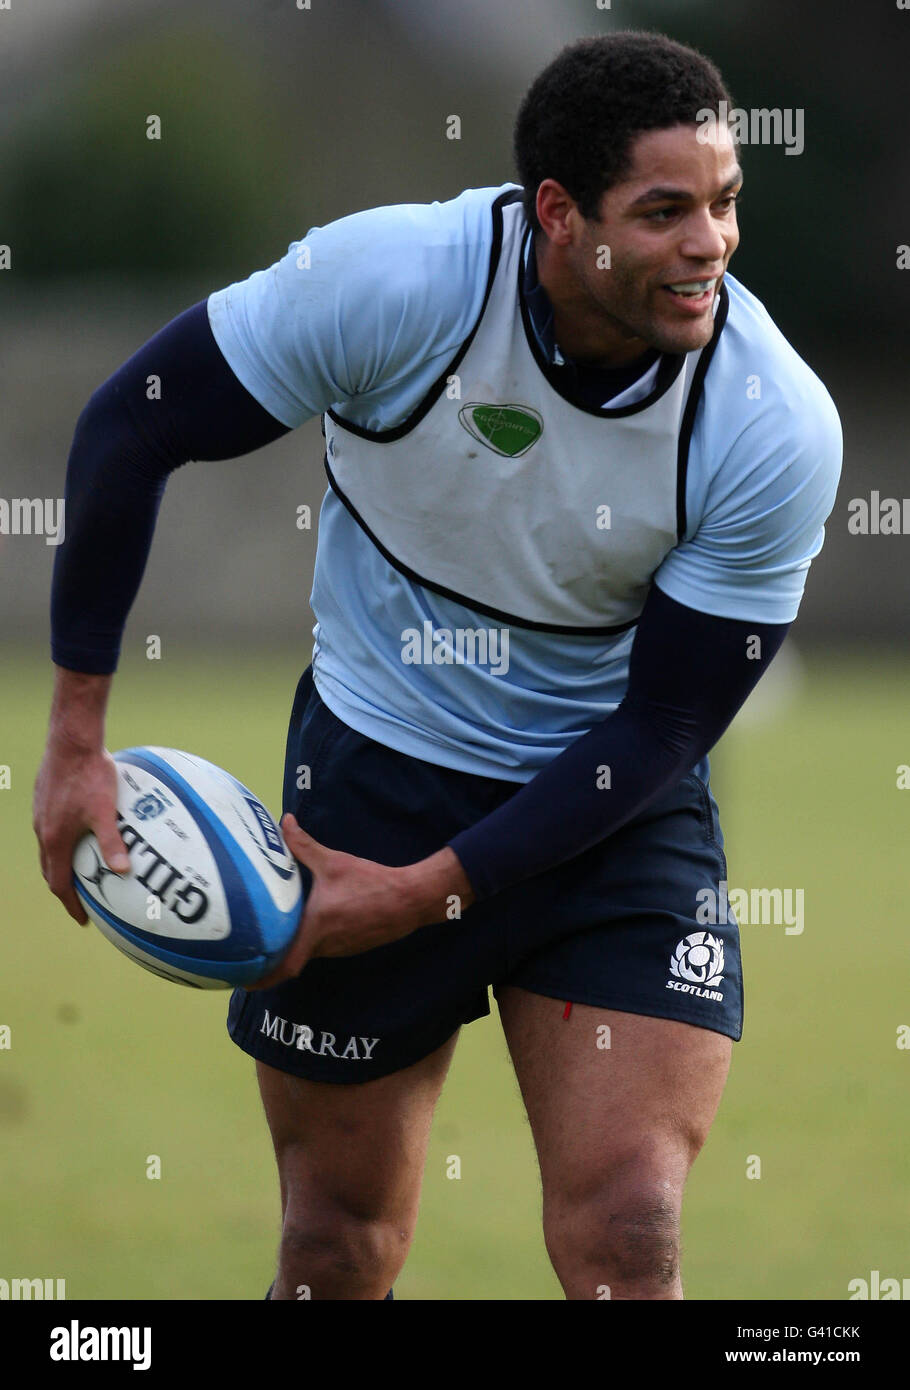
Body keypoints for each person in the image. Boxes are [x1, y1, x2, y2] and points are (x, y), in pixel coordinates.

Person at [33, 31, 842, 1300]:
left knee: (630, 1234)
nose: (711, 245)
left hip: (606, 811)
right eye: (666, 210)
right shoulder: (396, 282)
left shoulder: (769, 423)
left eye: (727, 201)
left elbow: (669, 721)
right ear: (559, 214)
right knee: (333, 1245)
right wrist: (76, 739)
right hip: (373, 777)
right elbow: (129, 427)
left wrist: (425, 894)